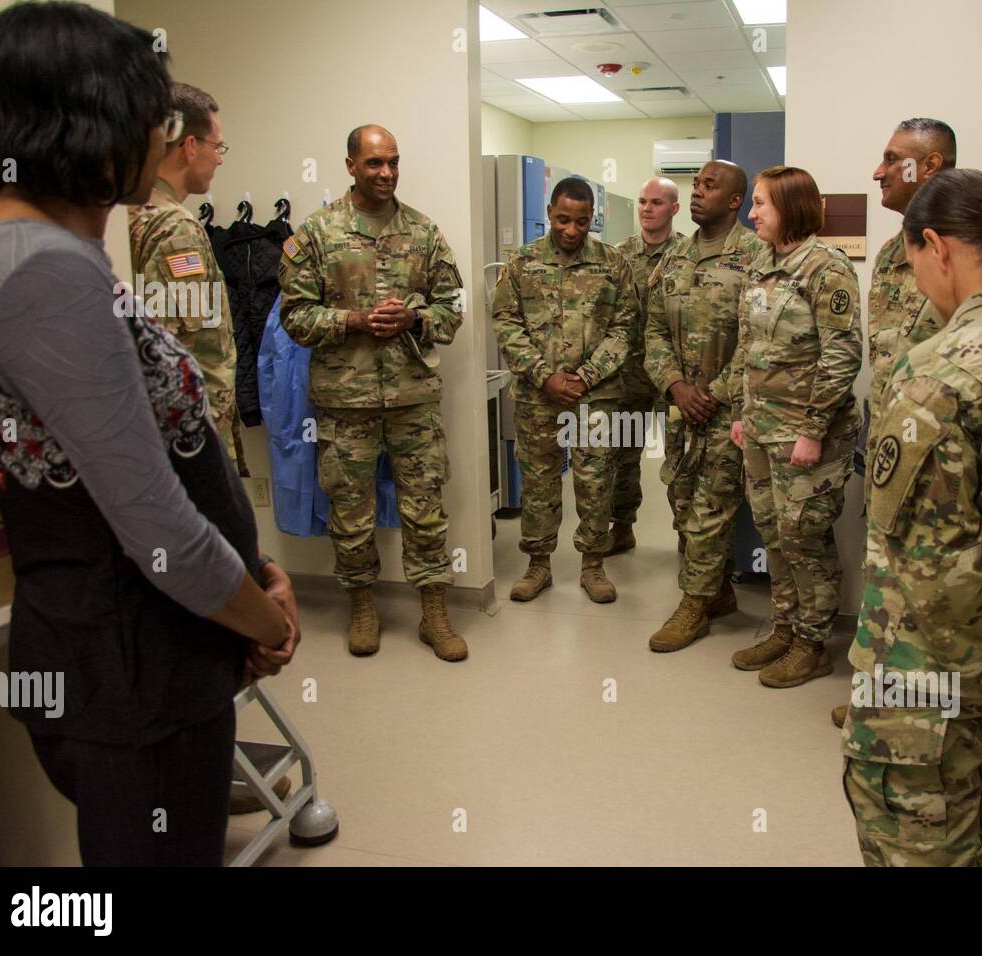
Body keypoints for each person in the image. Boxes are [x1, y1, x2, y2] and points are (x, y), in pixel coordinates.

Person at [0, 0, 297, 866]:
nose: (165, 135)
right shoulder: (50, 277)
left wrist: (249, 573)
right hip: (134, 664)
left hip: (129, 651)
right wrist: (261, 622)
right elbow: (156, 528)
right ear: (94, 122)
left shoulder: (5, 251)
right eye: (153, 114)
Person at [841, 168, 982, 866]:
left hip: (931, 678)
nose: (917, 286)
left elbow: (934, 561)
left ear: (936, 247)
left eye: (914, 266)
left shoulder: (937, 372)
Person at [278, 125, 466, 660]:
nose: (386, 173)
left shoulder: (424, 232)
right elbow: (294, 316)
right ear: (350, 165)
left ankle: (434, 611)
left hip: (413, 401)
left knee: (426, 509)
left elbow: (454, 307)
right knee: (350, 511)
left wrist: (416, 316)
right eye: (374, 163)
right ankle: (362, 606)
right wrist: (354, 319)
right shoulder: (316, 233)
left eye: (393, 162)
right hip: (345, 403)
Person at [833, 117, 955, 727]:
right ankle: (876, 688)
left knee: (930, 579)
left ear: (928, 166)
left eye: (890, 159)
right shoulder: (890, 251)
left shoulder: (964, 248)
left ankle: (921, 707)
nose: (877, 172)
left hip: (938, 452)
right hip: (884, 439)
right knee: (885, 569)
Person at [725, 166, 862, 687]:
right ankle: (784, 626)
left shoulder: (826, 268)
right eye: (753, 203)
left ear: (791, 207)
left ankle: (813, 643)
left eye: (760, 204)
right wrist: (741, 413)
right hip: (760, 427)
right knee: (772, 532)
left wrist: (813, 429)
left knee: (805, 536)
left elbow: (842, 355)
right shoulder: (762, 262)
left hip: (806, 434)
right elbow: (748, 348)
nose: (751, 212)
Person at [493, 177, 636, 605]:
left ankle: (593, 565)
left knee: (595, 482)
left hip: (595, 397)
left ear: (591, 217)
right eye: (561, 219)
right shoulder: (521, 263)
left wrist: (588, 376)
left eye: (581, 221)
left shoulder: (613, 263)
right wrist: (543, 375)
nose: (571, 230)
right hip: (539, 396)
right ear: (549, 212)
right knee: (538, 482)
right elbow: (505, 322)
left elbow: (626, 326)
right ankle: (538, 565)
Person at [643, 160, 761, 651]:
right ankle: (720, 592)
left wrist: (714, 392)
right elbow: (651, 332)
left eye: (710, 186)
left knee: (710, 509)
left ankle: (693, 605)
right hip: (680, 410)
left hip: (727, 413)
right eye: (696, 185)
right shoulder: (674, 258)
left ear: (735, 201)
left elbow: (760, 338)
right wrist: (674, 385)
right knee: (680, 500)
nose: (698, 193)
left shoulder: (756, 256)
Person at [128, 81, 239, 467]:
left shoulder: (124, 211)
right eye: (217, 147)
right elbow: (176, 346)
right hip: (191, 440)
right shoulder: (175, 227)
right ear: (190, 146)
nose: (220, 159)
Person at [610, 176, 685, 556]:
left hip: (671, 378)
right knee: (623, 456)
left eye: (656, 202)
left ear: (674, 208)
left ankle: (687, 540)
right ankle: (622, 527)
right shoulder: (619, 255)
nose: (646, 209)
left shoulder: (688, 255)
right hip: (629, 377)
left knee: (679, 458)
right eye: (642, 201)